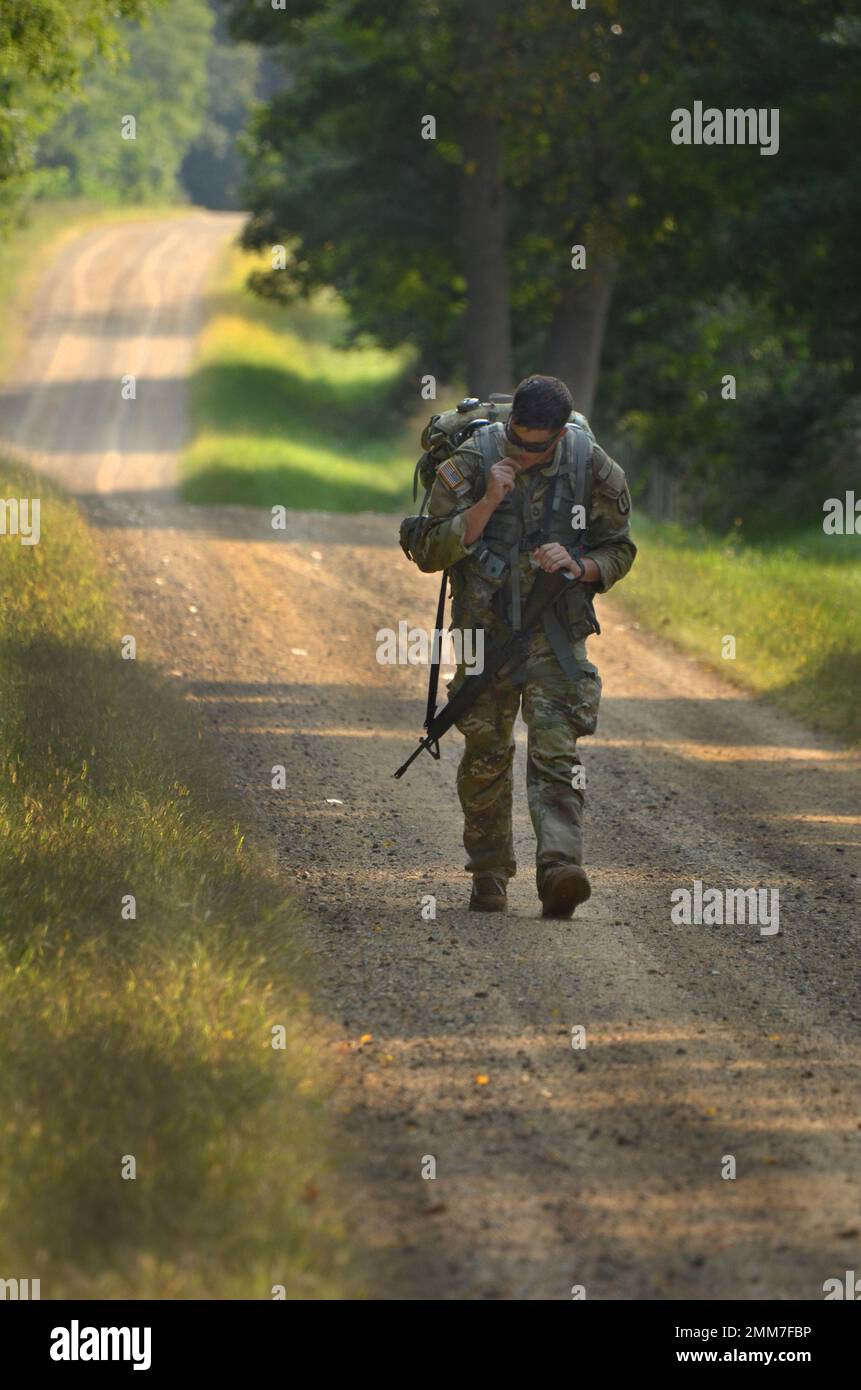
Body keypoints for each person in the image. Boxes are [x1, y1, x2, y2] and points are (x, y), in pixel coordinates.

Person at [412, 374, 636, 917]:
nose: (524, 452)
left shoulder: (591, 466)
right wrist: (487, 503)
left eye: (537, 445)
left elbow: (619, 549)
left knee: (556, 753)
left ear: (560, 436)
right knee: (486, 757)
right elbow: (424, 547)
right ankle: (489, 873)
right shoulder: (472, 461)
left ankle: (560, 869)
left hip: (556, 636)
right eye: (517, 438)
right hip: (485, 636)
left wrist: (580, 565)